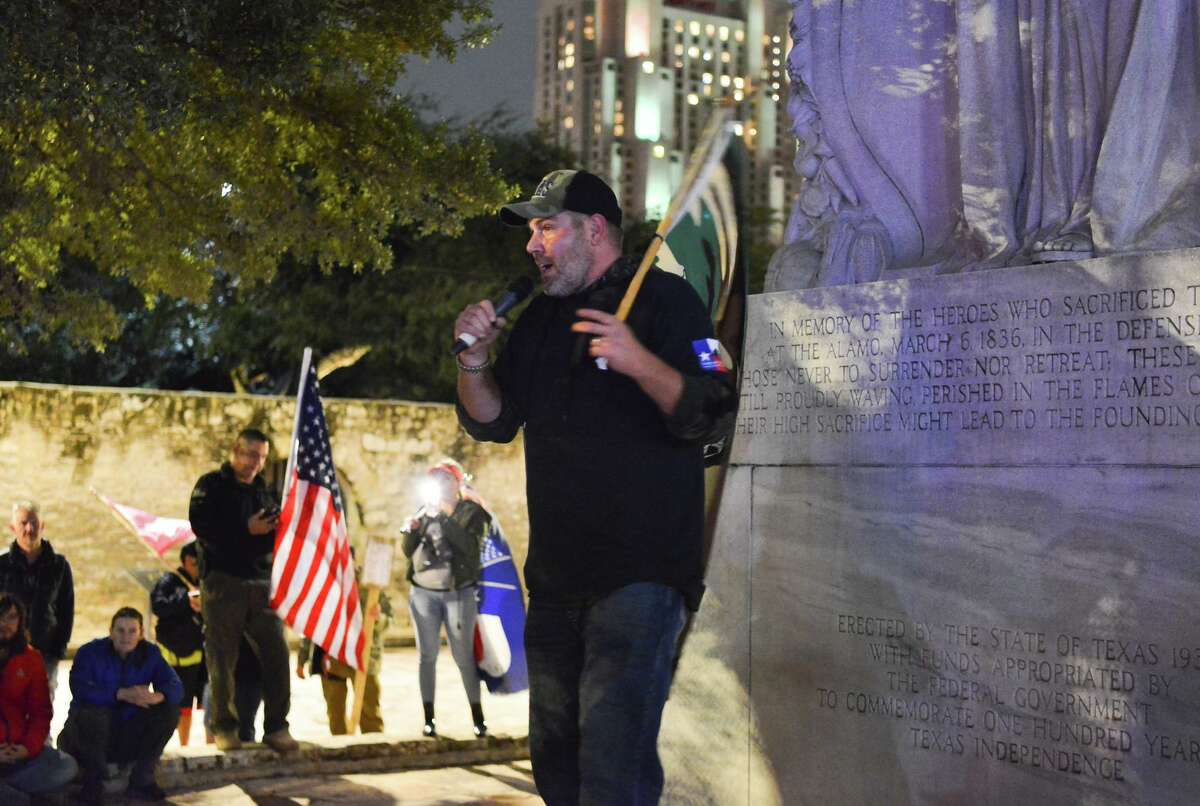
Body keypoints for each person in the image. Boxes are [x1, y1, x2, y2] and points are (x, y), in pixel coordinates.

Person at [454, 169, 737, 804]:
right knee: (557, 770)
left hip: (640, 578)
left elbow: (716, 408)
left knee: (614, 772)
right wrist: (472, 358)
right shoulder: (539, 321)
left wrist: (638, 360)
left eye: (548, 227)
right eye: (532, 230)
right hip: (555, 581)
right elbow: (492, 420)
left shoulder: (670, 302)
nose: (533, 244)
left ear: (595, 230)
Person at [188, 427, 298, 753]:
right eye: (250, 455)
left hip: (262, 584)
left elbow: (273, 537)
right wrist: (244, 528)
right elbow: (201, 525)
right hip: (224, 582)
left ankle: (277, 726)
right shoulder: (211, 486)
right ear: (235, 451)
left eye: (261, 457)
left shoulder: (264, 492)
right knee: (222, 659)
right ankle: (224, 727)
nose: (255, 463)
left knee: (277, 653)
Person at [401, 460, 491, 739]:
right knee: (426, 656)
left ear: (456, 483)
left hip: (458, 592)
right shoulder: (424, 510)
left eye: (445, 479)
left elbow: (469, 548)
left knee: (463, 657)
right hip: (424, 593)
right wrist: (413, 528)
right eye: (436, 480)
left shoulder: (472, 512)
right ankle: (429, 719)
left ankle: (478, 718)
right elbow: (408, 551)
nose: (441, 485)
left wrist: (444, 518)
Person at [59, 607, 182, 804]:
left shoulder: (150, 654)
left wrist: (157, 696)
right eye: (120, 630)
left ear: (141, 633)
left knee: (169, 711)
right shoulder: (90, 653)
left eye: (132, 631)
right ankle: (94, 782)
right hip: (85, 737)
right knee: (93, 713)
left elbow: (174, 685)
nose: (126, 636)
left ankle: (142, 779)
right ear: (110, 631)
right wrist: (120, 694)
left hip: (124, 734)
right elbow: (80, 689)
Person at [296, 556, 391, 735]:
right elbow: (311, 624)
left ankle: (373, 752)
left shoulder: (369, 584)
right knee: (335, 712)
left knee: (370, 711)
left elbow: (387, 619)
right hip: (332, 658)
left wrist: (378, 618)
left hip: (364, 658)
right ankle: (340, 753)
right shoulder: (321, 585)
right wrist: (303, 658)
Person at [0, 595, 77, 805]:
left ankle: (10, 793)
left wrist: (28, 747)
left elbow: (40, 713)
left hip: (18, 751)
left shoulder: (31, 658)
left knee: (66, 765)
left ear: (20, 621)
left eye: (10, 618)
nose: (3, 624)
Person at [0, 501, 74, 703]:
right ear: (12, 528)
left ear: (42, 525)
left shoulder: (59, 566)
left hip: (45, 654)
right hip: (7, 653)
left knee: (40, 713)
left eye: (34, 522)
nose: (29, 529)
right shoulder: (2, 566)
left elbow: (66, 612)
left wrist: (58, 650)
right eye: (23, 523)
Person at [150, 541, 208, 746]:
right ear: (187, 560)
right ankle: (170, 747)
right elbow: (158, 605)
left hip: (198, 657)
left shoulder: (204, 581)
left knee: (196, 705)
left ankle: (194, 746)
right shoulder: (169, 581)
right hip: (171, 658)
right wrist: (185, 600)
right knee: (172, 706)